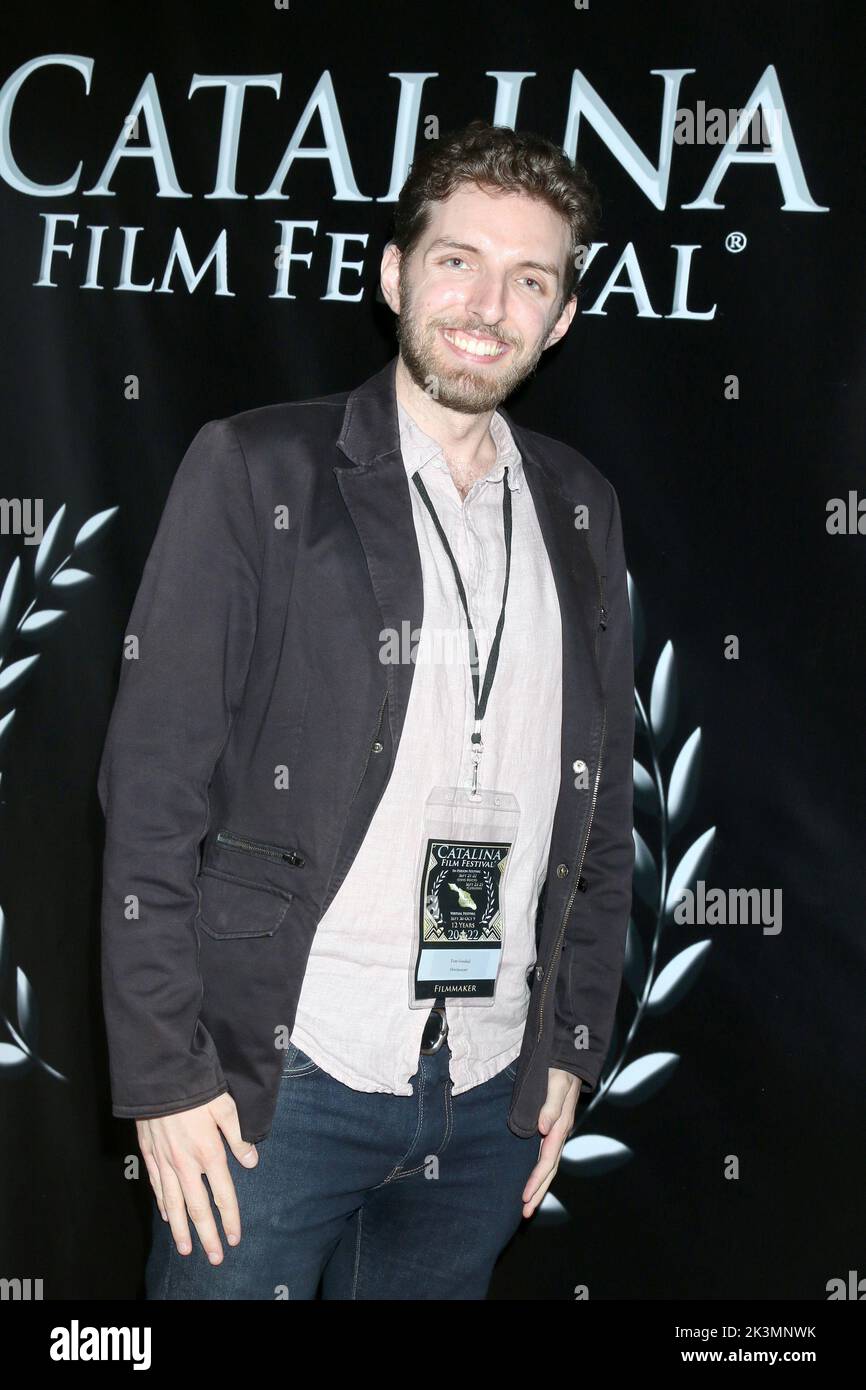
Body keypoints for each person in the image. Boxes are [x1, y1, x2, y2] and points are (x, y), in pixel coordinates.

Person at [97, 119, 635, 1300]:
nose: (487, 303)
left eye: (528, 278)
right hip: (275, 1085)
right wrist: (161, 1074)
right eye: (458, 260)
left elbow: (598, 821)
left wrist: (569, 1050)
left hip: (487, 1093)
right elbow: (152, 789)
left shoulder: (582, 510)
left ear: (561, 318)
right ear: (395, 273)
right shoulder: (255, 469)